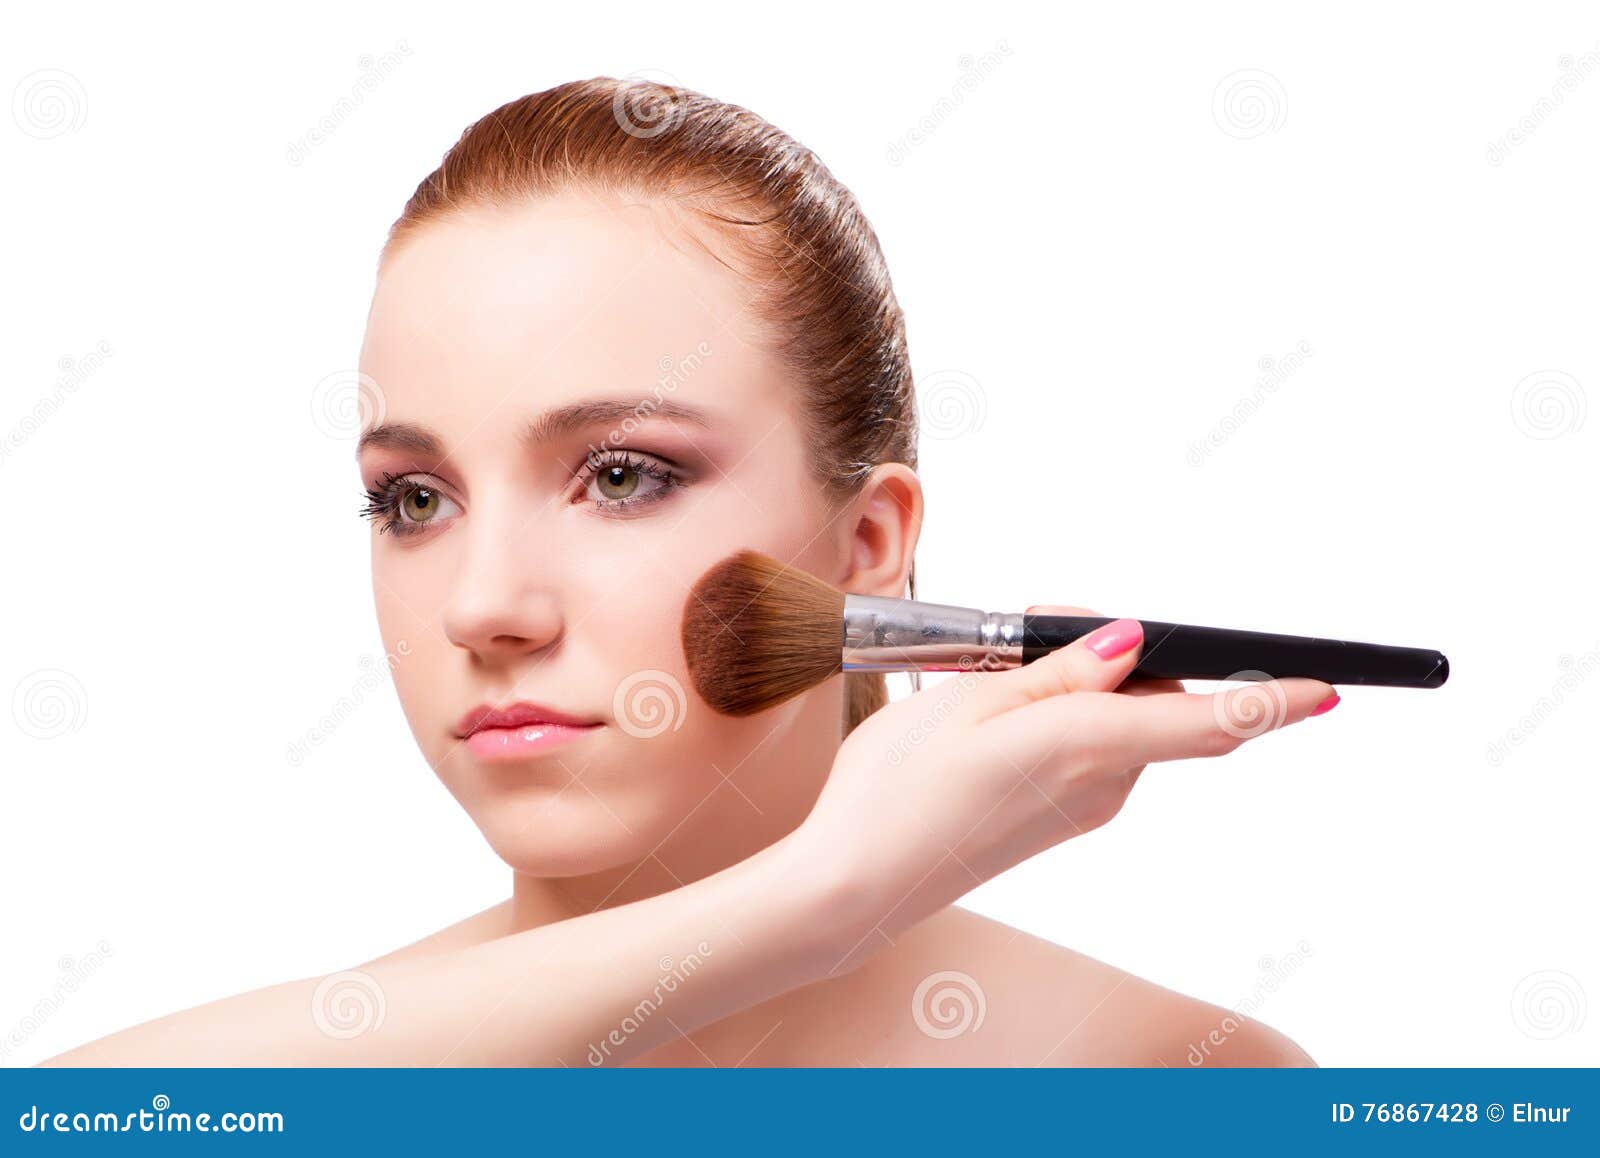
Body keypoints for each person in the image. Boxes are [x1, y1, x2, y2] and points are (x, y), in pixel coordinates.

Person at [44, 77, 1338, 1067]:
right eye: (415, 498)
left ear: (869, 547)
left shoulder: (1177, 1086)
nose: (485, 604)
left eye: (620, 475)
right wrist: (815, 899)